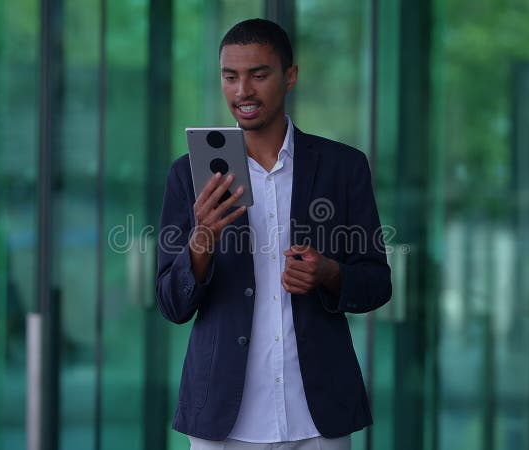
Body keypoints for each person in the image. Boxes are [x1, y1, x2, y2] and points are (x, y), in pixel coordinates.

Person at [155, 18, 392, 450]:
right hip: (221, 421)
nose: (242, 91)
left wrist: (328, 273)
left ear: (290, 76)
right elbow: (172, 304)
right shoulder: (188, 175)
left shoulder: (343, 167)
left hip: (317, 419)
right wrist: (201, 240)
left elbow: (377, 283)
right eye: (230, 77)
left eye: (258, 75)